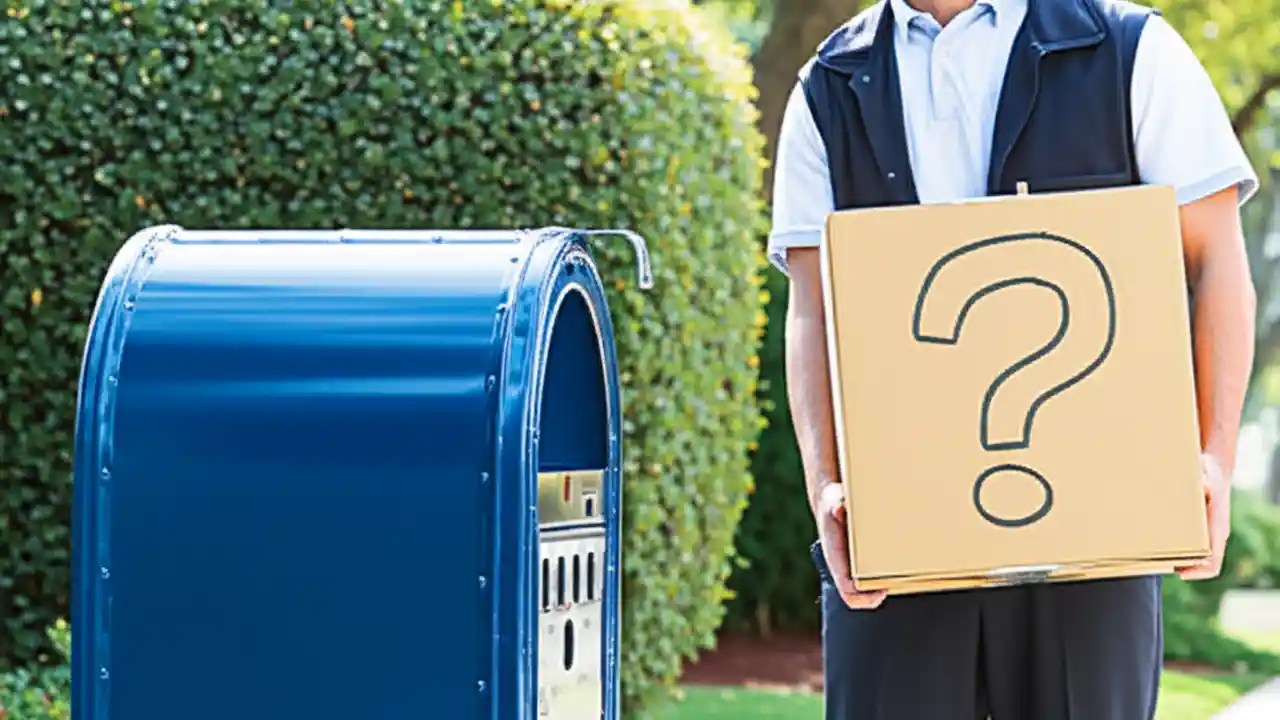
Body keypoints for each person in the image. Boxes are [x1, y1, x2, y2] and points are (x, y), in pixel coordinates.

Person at [768, 0, 1260, 717]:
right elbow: (813, 307)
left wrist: (1214, 457)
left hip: (1101, 529)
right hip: (899, 531)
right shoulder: (828, 84)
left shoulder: (1130, 48)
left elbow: (1216, 258)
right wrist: (827, 487)